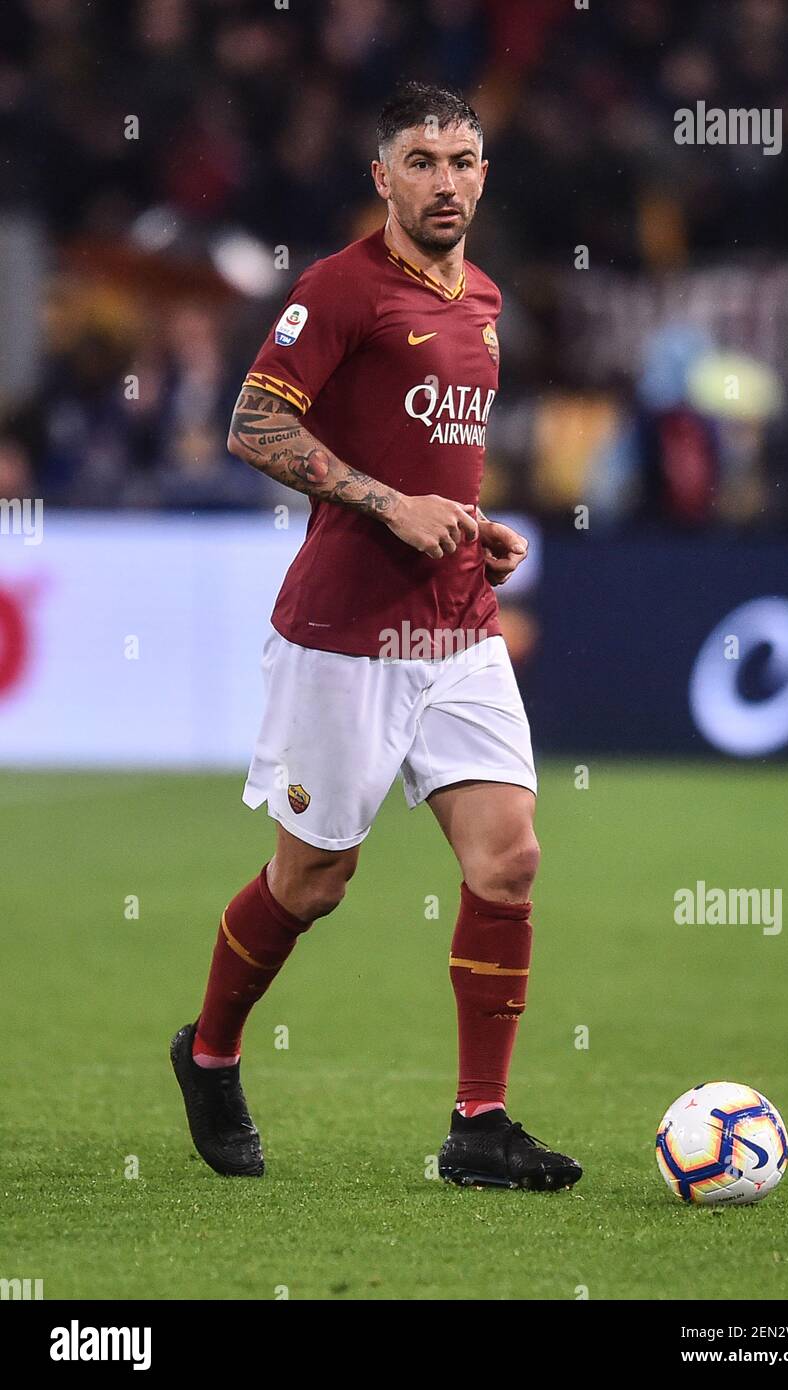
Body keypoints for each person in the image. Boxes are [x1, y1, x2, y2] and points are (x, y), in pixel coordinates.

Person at [171, 82, 581, 1192]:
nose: (443, 181)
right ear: (381, 178)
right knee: (312, 883)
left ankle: (477, 1126)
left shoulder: (485, 299)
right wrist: (384, 503)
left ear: (483, 174)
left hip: (457, 630)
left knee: (510, 859)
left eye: (461, 160)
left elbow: (438, 456)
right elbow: (253, 423)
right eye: (420, 161)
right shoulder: (338, 290)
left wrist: (469, 529)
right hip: (343, 637)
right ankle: (209, 1052)